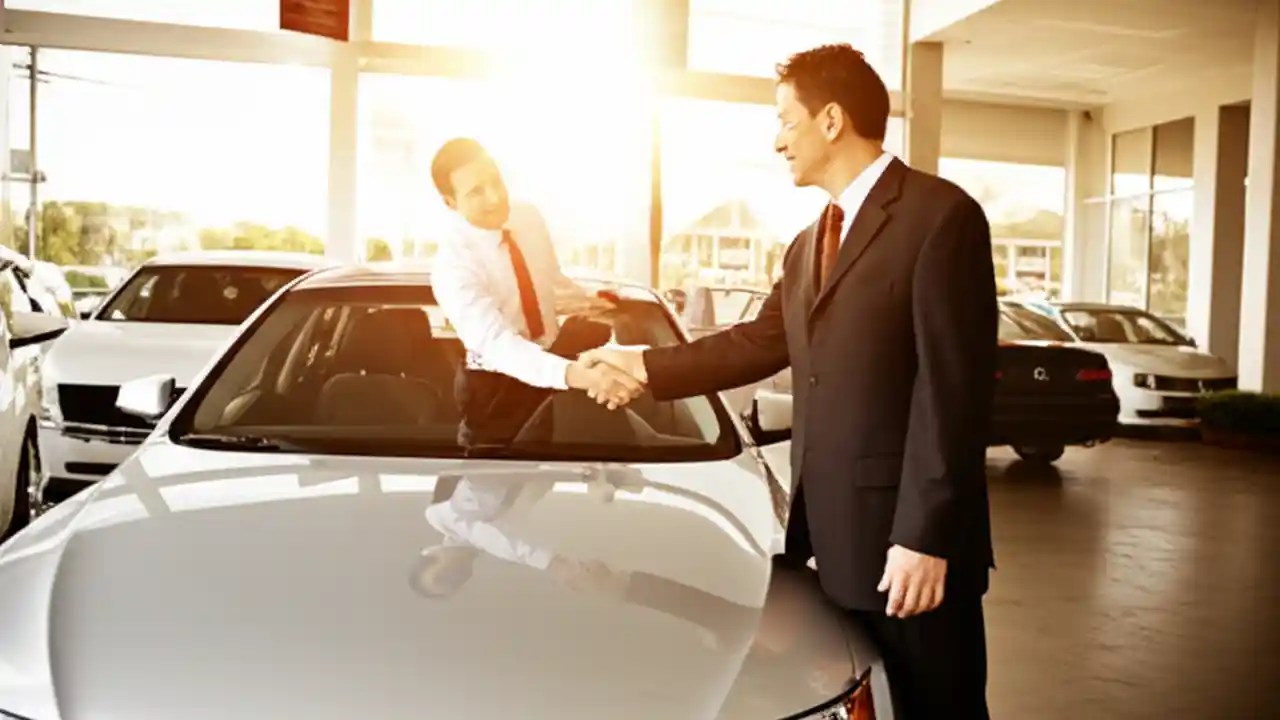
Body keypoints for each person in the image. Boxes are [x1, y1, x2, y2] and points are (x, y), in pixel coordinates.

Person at [582, 44, 998, 719]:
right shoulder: (808, 242)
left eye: (785, 121)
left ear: (831, 120)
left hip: (911, 549)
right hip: (832, 542)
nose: (777, 141)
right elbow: (761, 341)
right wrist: (643, 365)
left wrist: (925, 537)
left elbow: (952, 394)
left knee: (934, 709)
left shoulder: (939, 217)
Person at [429, 138, 642, 446]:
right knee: (497, 487)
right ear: (450, 202)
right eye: (476, 191)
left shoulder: (527, 218)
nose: (495, 197)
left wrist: (593, 300)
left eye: (496, 181)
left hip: (556, 363)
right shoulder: (453, 266)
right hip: (497, 389)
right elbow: (498, 345)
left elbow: (549, 279)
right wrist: (582, 377)